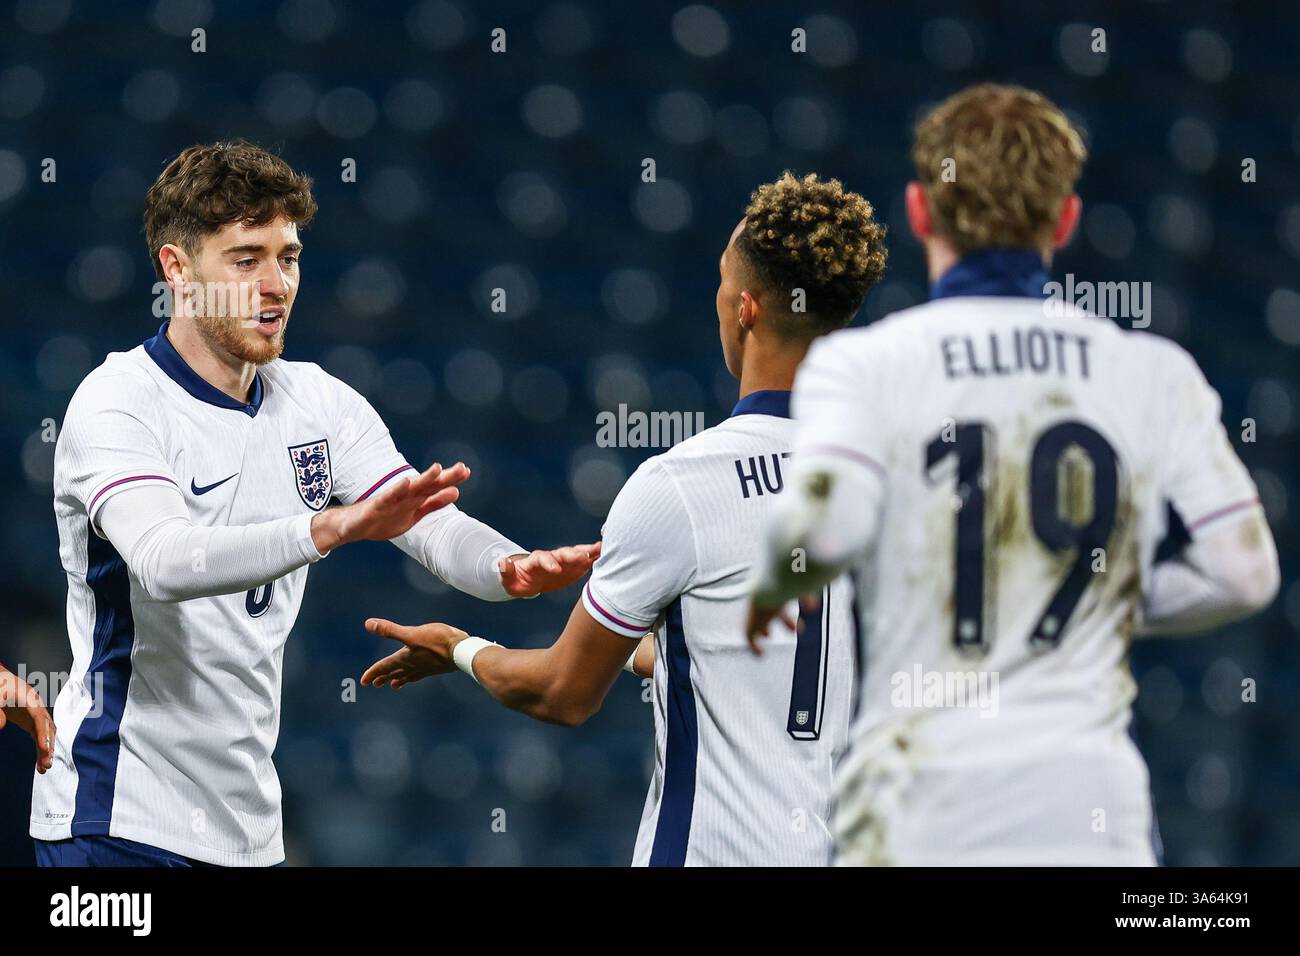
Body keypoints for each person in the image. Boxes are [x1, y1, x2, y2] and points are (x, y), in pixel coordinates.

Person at [745, 84, 1281, 866]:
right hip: (1090, 811)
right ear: (1064, 220)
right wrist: (1085, 599)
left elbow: (826, 531)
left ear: (920, 210)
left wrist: (773, 587)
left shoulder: (864, 364)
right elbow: (1244, 573)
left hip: (917, 804)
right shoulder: (1153, 372)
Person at [32, 141, 598, 867]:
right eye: (246, 260)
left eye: (288, 257)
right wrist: (328, 526)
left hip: (249, 833)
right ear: (177, 269)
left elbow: (424, 520)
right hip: (116, 818)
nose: (276, 285)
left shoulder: (318, 403)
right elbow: (163, 560)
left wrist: (507, 566)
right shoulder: (118, 403)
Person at [361, 172, 888, 865]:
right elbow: (768, 657)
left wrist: (459, 649)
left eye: (724, 283)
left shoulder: (681, 486)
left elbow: (561, 694)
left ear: (748, 308)